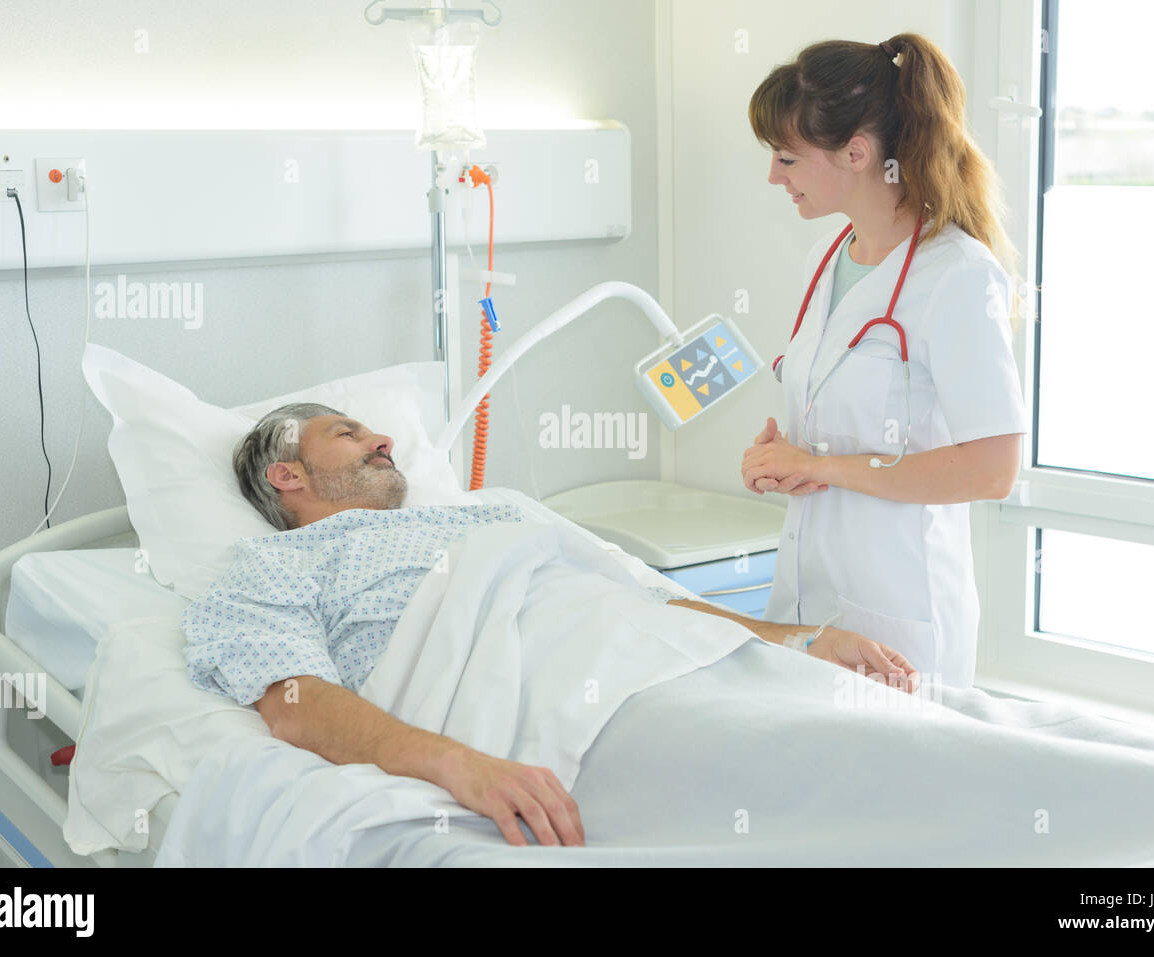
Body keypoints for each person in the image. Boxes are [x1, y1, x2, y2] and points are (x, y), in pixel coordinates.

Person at [182, 403, 919, 849]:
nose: (384, 440)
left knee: (869, 734)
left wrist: (797, 638)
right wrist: (460, 764)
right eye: (349, 434)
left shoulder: (493, 512)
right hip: (557, 697)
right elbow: (295, 702)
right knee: (849, 774)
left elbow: (640, 597)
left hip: (652, 649)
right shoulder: (271, 565)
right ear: (288, 476)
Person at [741, 33, 1028, 689]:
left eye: (787, 158)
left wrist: (818, 465)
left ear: (857, 152)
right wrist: (786, 457)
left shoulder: (956, 275)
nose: (773, 177)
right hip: (807, 610)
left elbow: (992, 469)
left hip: (898, 620)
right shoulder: (829, 258)